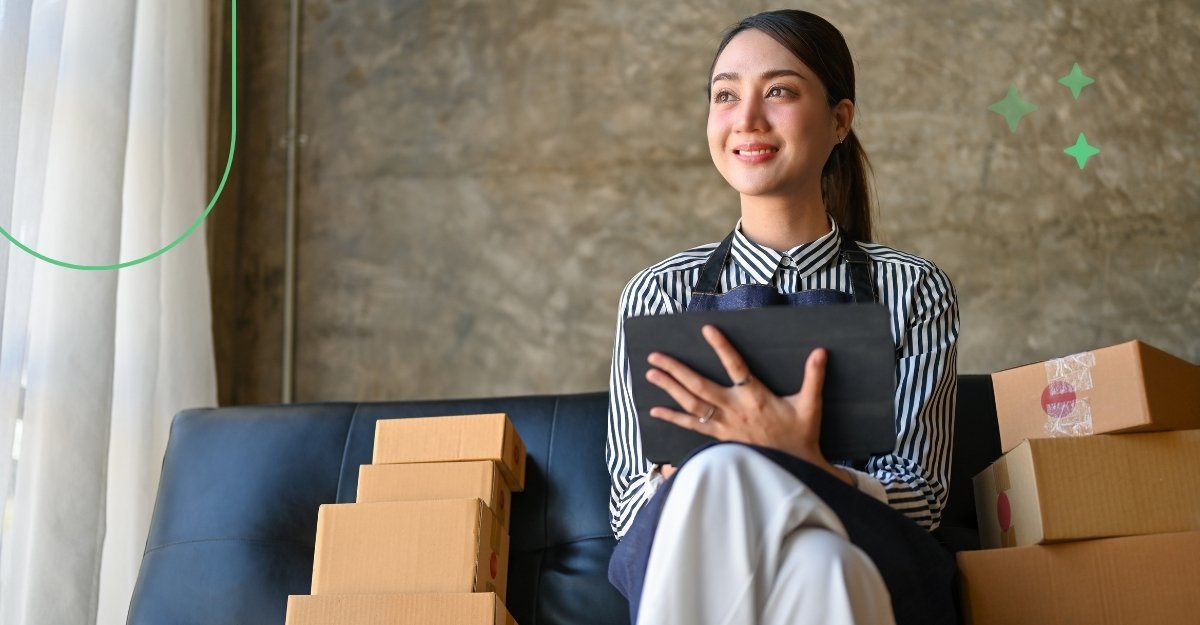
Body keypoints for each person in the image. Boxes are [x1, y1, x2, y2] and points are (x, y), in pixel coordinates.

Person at [604, 9, 961, 625]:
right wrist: (729, 467)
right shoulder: (657, 291)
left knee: (808, 538)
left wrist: (803, 462)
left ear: (840, 119)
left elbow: (923, 498)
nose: (746, 119)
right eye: (725, 95)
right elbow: (628, 506)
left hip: (866, 545)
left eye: (780, 91)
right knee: (821, 564)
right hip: (709, 546)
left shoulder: (912, 288)